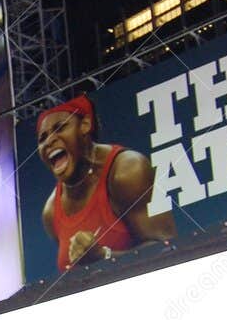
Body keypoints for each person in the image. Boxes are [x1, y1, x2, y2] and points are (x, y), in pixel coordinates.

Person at [37, 95, 177, 272]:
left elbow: (169, 249)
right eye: (42, 138)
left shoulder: (127, 171)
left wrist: (104, 255)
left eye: (60, 128)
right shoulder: (50, 212)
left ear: (85, 125)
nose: (49, 141)